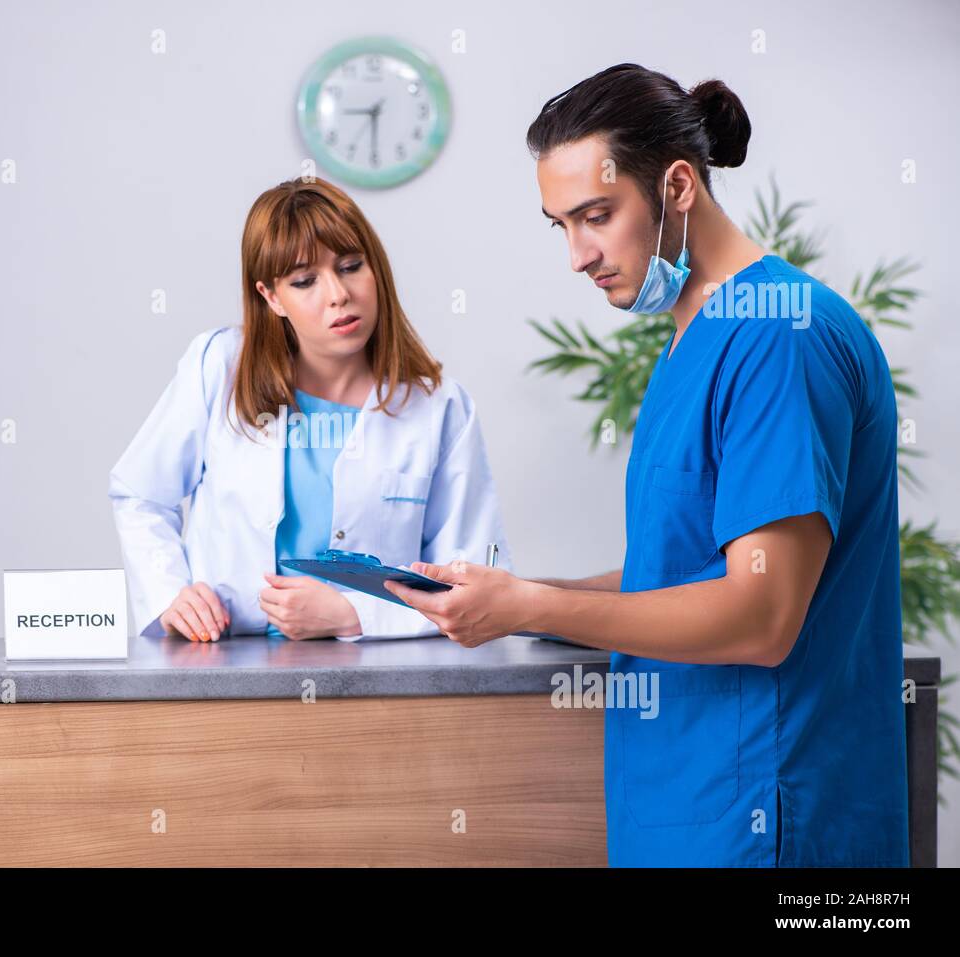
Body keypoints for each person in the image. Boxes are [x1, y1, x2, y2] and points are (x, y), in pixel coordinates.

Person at [386, 64, 909, 867]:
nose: (578, 254)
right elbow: (678, 572)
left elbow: (762, 616)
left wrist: (529, 608)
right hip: (684, 803)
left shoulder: (777, 335)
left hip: (768, 815)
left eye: (597, 215)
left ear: (677, 186)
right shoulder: (691, 338)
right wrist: (515, 591)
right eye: (559, 224)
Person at [109, 177, 512, 642]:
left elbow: (474, 582)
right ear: (272, 297)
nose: (338, 294)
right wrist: (169, 594)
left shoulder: (440, 407)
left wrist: (356, 615)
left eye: (351, 266)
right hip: (224, 662)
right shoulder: (218, 366)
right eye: (304, 282)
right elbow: (139, 494)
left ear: (376, 270)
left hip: (380, 672)